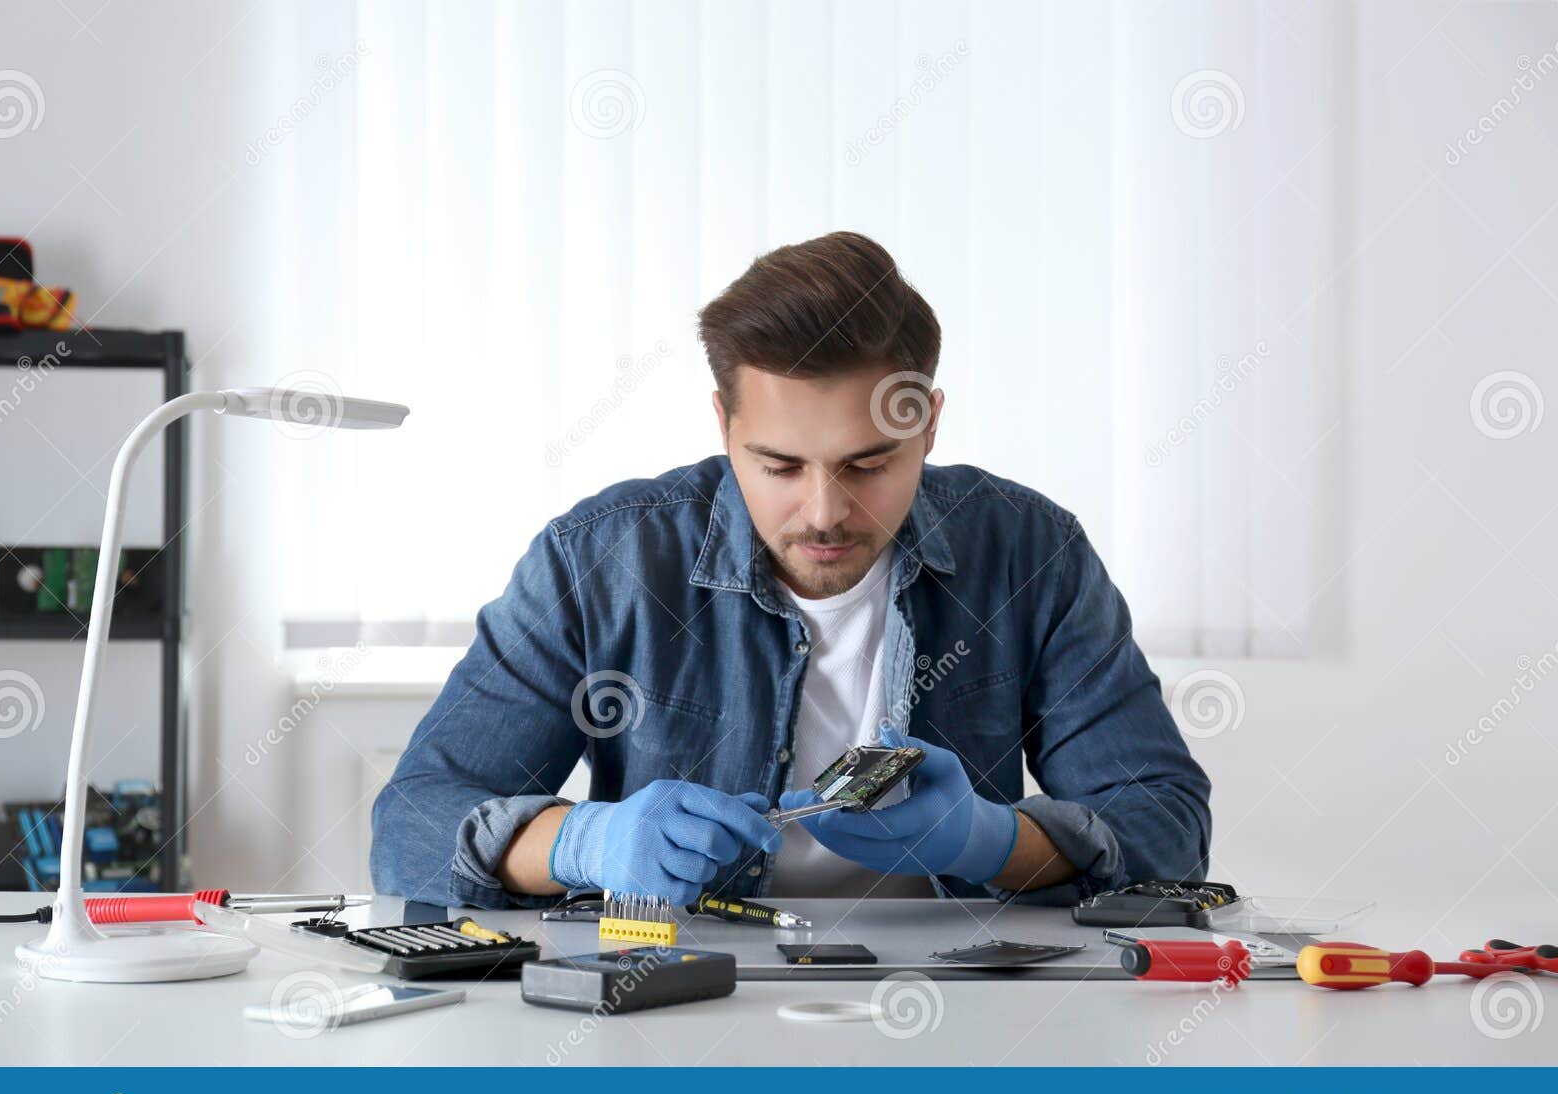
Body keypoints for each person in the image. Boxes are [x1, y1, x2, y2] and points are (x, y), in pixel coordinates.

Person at [370, 231, 1211, 909]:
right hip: (676, 1007)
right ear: (723, 425)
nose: (823, 511)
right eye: (778, 466)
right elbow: (408, 826)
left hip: (961, 1017)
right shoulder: (599, 560)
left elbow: (1166, 823)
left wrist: (991, 840)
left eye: (869, 462)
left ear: (928, 425)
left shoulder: (1032, 553)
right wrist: (584, 842)